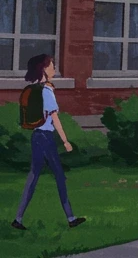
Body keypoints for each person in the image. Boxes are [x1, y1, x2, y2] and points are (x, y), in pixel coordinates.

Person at [13, 54, 86, 231]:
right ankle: (71, 218)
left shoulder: (33, 89)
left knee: (33, 176)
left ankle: (18, 218)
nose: (54, 69)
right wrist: (65, 141)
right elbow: (54, 118)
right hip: (46, 138)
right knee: (59, 176)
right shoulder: (47, 91)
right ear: (44, 69)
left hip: (36, 136)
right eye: (52, 65)